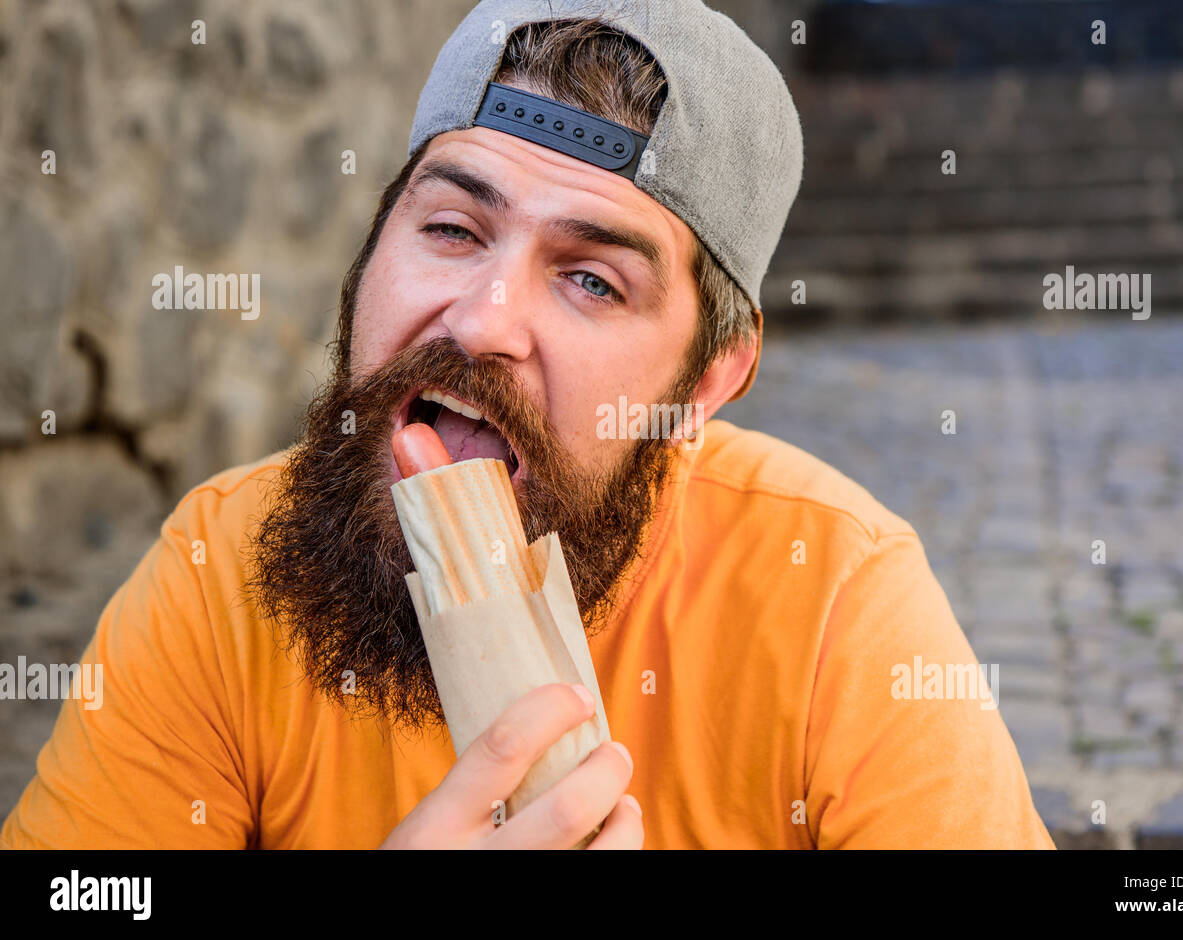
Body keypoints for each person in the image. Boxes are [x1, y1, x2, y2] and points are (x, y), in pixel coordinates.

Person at [2, 0, 1053, 849]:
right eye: (453, 228)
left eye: (592, 281)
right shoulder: (216, 571)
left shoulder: (834, 597)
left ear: (705, 384)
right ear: (371, 251)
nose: (482, 319)